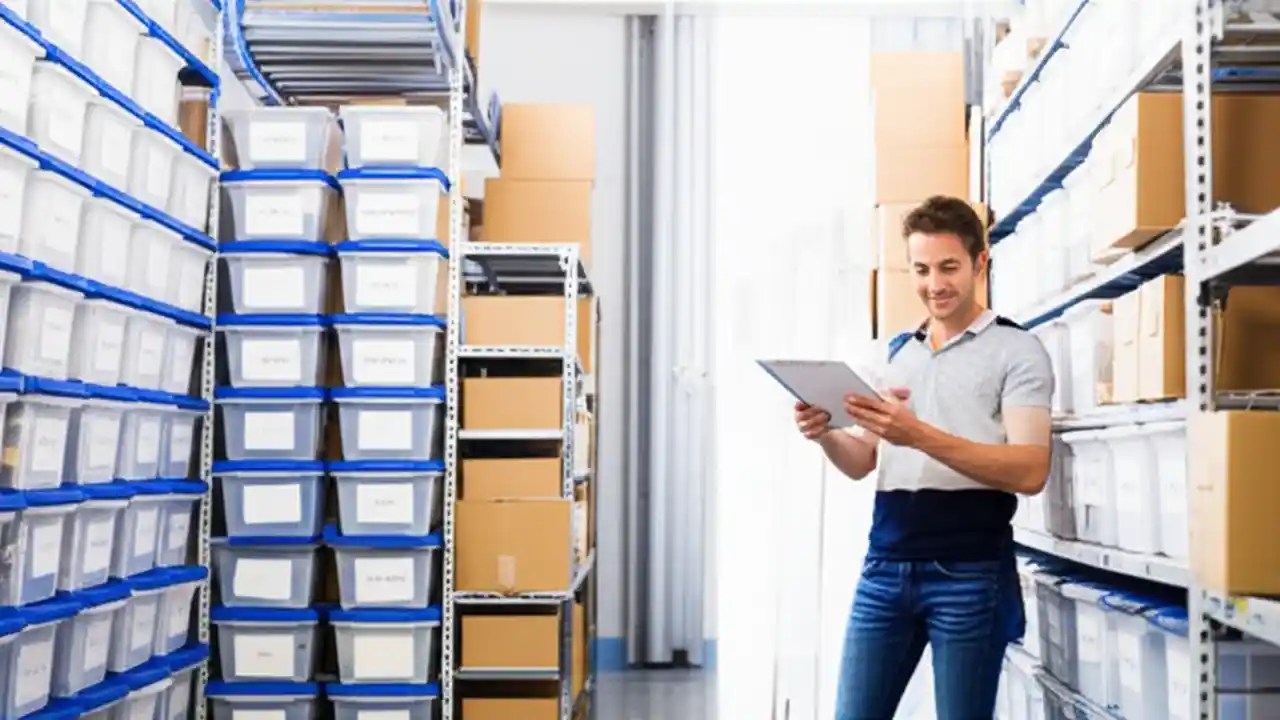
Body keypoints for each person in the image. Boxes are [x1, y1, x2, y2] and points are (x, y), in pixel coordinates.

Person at [795, 196, 1054, 719]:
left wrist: (917, 435)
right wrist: (824, 435)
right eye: (921, 269)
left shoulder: (1017, 350)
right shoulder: (895, 353)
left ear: (981, 263)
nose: (934, 284)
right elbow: (863, 460)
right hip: (885, 567)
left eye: (949, 267)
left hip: (969, 572)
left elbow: (1030, 470)